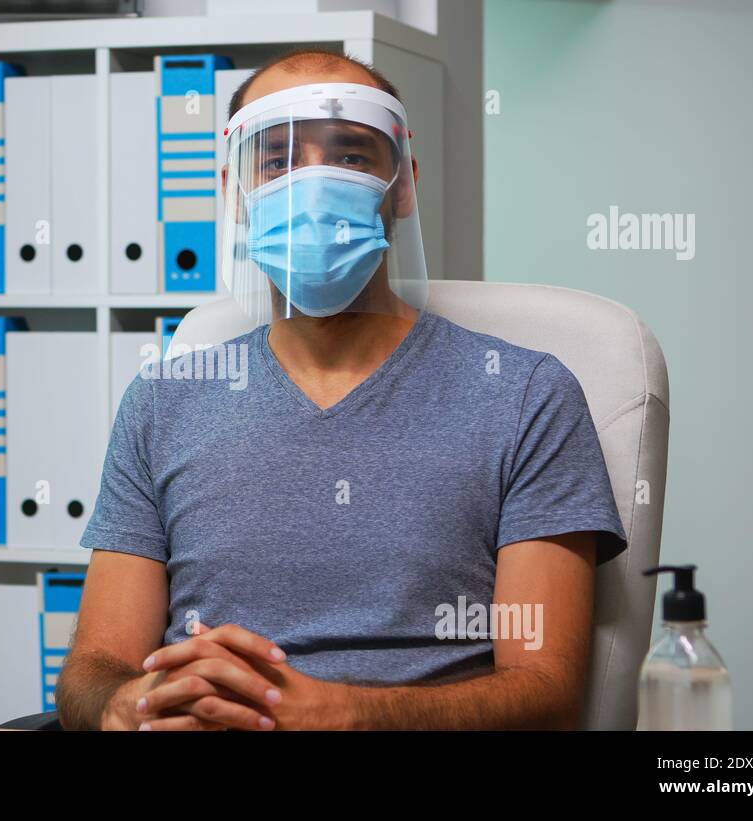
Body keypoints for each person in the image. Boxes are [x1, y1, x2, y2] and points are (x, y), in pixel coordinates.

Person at [56, 48, 627, 730]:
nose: (314, 186)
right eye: (278, 161)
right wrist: (130, 707)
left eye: (351, 157)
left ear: (403, 185)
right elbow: (92, 671)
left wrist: (345, 714)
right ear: (236, 193)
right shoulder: (162, 402)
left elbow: (545, 694)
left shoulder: (527, 397)